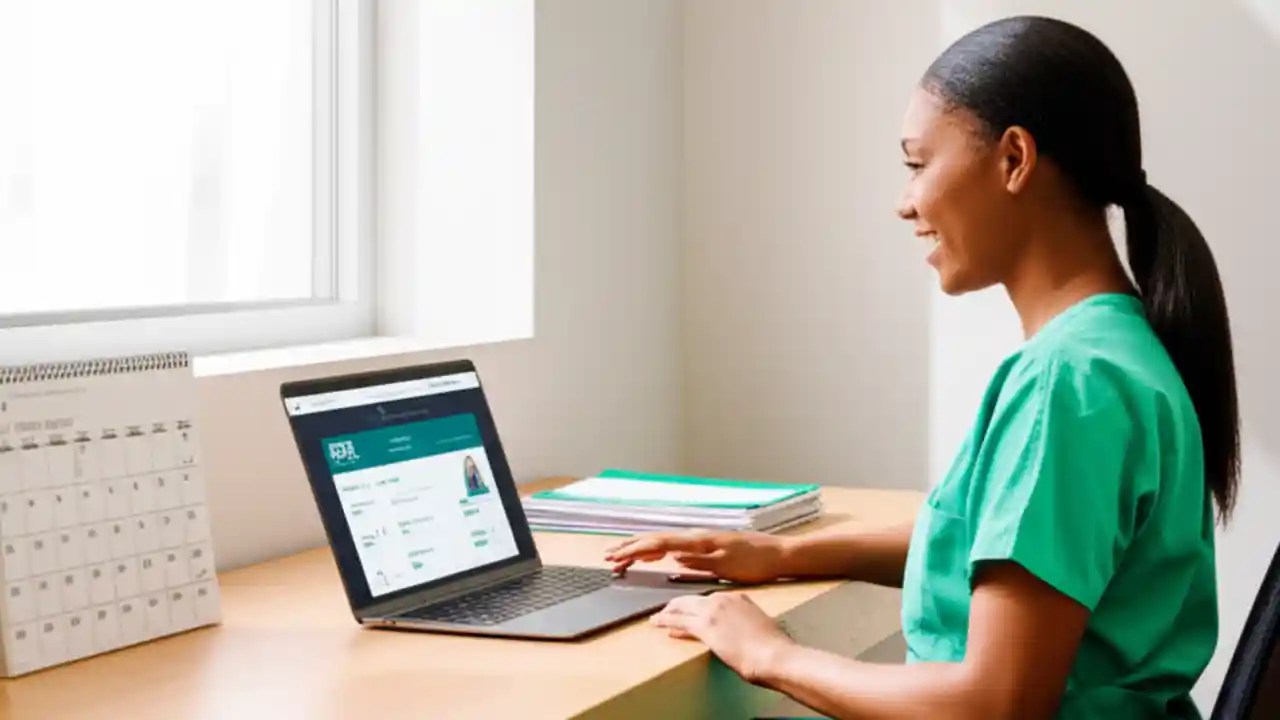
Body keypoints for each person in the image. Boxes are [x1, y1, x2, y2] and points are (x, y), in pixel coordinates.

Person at [605, 15, 1239, 719]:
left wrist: (771, 656)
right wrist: (782, 556)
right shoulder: (1115, 349)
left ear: (1014, 159)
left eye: (917, 163)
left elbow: (995, 703)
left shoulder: (1069, 382)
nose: (905, 202)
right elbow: (997, 541)